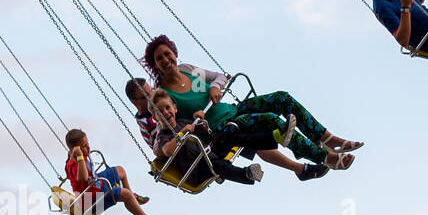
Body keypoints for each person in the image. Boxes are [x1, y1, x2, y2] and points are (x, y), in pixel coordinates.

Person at [141, 36, 362, 169]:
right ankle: (325, 158)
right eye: (159, 59)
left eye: (167, 54)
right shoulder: (163, 93)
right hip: (221, 127)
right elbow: (166, 121)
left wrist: (216, 87)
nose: (166, 60)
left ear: (175, 53)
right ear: (155, 65)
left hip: (232, 110)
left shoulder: (188, 71)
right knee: (271, 121)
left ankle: (325, 138)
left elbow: (220, 76)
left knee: (281, 98)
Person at [124, 78, 327, 181]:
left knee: (237, 134)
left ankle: (282, 140)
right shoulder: (149, 123)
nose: (151, 98)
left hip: (209, 140)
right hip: (193, 160)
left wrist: (199, 125)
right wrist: (182, 134)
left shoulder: (172, 109)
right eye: (146, 96)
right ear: (136, 101)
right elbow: (160, 149)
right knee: (221, 159)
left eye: (151, 92)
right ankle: (253, 172)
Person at [64, 129, 167, 215]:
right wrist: (80, 157)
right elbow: (83, 178)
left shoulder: (81, 156)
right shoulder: (72, 164)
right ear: (74, 150)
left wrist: (81, 155)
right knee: (125, 194)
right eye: (84, 146)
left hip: (96, 185)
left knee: (120, 170)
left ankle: (132, 197)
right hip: (90, 199)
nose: (88, 147)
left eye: (87, 144)